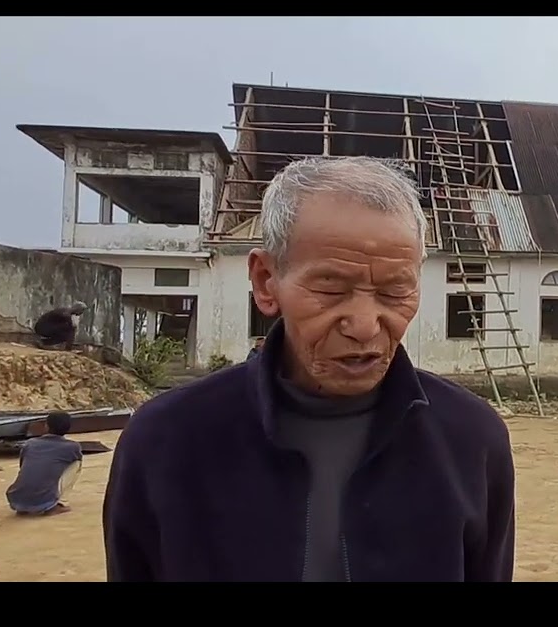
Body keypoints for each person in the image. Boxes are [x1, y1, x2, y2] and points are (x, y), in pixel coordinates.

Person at [103, 156, 515, 582]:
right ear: (266, 281)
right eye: (331, 289)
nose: (364, 325)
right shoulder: (165, 441)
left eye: (394, 292)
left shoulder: (471, 439)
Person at [5, 411, 84, 516]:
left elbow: (22, 465)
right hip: (43, 501)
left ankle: (26, 502)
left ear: (46, 426)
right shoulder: (73, 447)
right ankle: (56, 504)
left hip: (15, 499)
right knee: (77, 463)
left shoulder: (30, 443)